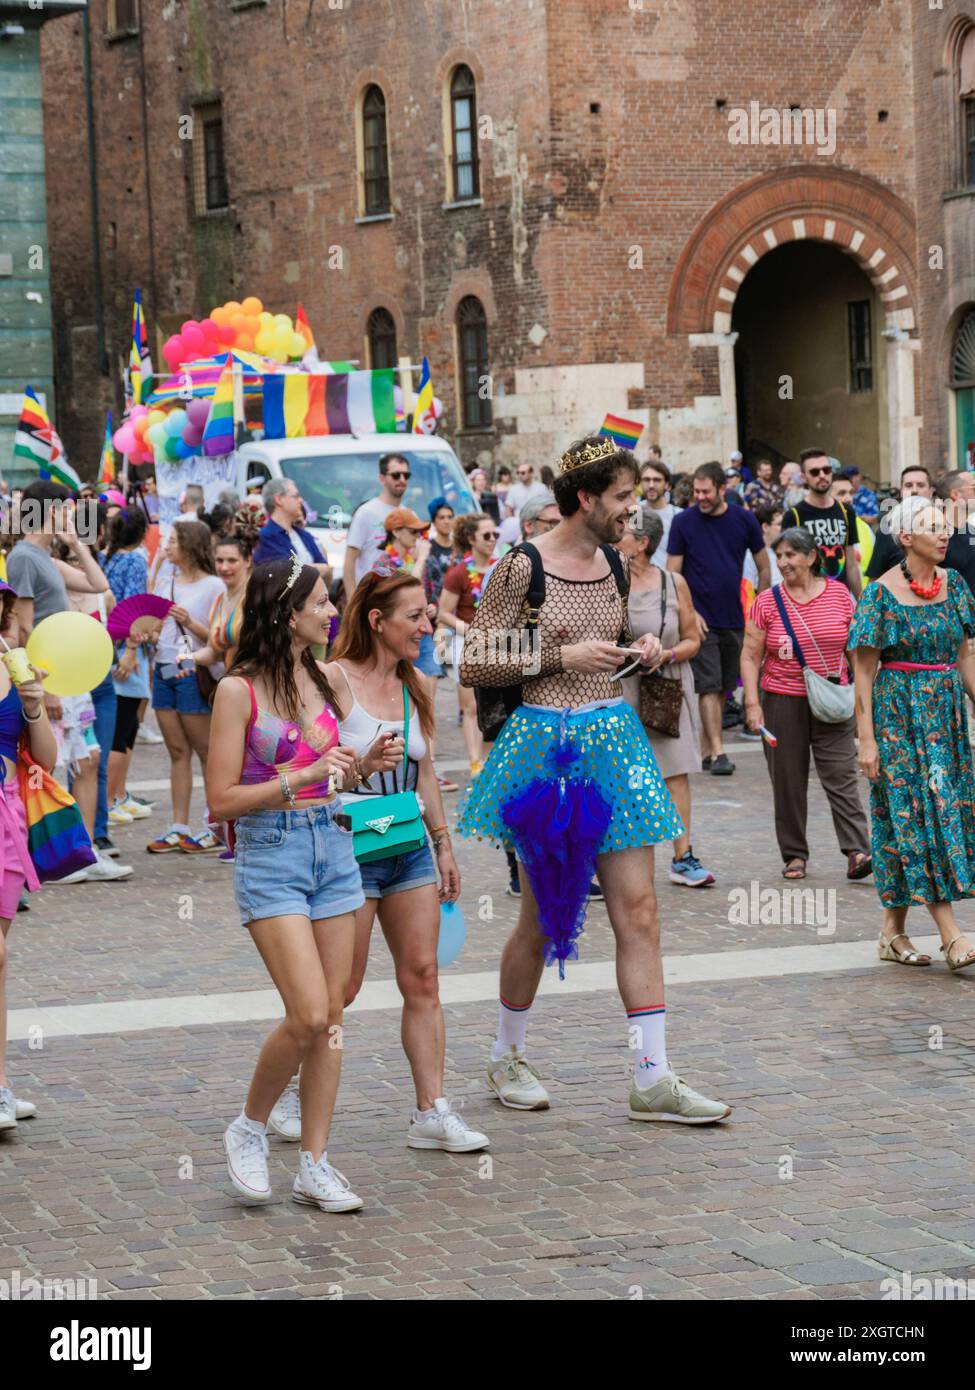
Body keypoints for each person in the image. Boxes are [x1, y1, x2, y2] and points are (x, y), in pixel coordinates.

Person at [459, 435, 731, 1125]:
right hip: (546, 748)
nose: (633, 511)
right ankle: (506, 1053)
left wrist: (640, 651)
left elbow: (605, 650)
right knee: (545, 919)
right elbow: (475, 660)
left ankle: (651, 1075)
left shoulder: (614, 560)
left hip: (613, 735)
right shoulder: (521, 566)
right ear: (583, 498)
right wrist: (558, 652)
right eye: (620, 498)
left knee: (637, 911)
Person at [206, 557, 367, 1209]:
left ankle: (314, 1163)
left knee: (331, 1017)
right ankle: (247, 1127)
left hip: (332, 844)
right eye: (323, 604)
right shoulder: (236, 691)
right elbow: (220, 801)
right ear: (286, 613)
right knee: (305, 1013)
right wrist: (300, 778)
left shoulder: (327, 679)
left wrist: (358, 770)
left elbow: (334, 778)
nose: (333, 613)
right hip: (270, 853)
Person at [318, 571, 489, 1153]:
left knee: (423, 977)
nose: (426, 625)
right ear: (376, 620)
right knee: (342, 986)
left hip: (407, 840)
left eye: (428, 616)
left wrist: (444, 844)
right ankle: (297, 1088)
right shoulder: (333, 680)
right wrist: (357, 766)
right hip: (348, 842)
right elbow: (316, 770)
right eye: (414, 616)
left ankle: (431, 1110)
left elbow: (423, 771)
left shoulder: (418, 682)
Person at [850, 497, 975, 972]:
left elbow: (965, 654)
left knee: (918, 818)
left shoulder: (956, 586)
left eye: (946, 526)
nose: (944, 534)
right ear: (905, 538)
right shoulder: (879, 595)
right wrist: (867, 739)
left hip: (945, 719)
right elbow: (862, 672)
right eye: (932, 527)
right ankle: (951, 934)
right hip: (898, 718)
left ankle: (891, 933)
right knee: (918, 817)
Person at [741, 528, 872, 882]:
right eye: (779, 556)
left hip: (832, 699)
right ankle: (794, 854)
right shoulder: (766, 601)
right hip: (782, 699)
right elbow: (750, 656)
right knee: (788, 780)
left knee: (841, 775)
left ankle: (857, 850)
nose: (782, 563)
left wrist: (864, 704)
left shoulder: (841, 595)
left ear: (812, 557)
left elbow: (856, 653)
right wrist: (752, 704)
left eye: (790, 555)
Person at [618, 506, 714, 887]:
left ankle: (683, 857)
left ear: (642, 543)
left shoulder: (674, 583)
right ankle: (621, 861)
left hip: (668, 687)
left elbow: (692, 639)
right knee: (623, 776)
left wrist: (667, 654)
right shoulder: (608, 581)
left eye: (624, 531)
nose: (616, 535)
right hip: (622, 686)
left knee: (674, 774)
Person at [666, 461, 770, 775]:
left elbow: (764, 565)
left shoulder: (744, 519)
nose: (700, 497)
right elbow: (673, 573)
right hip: (700, 618)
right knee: (708, 685)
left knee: (724, 686)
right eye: (696, 491)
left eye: (706, 491)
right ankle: (720, 752)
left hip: (736, 616)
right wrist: (689, 612)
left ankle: (709, 750)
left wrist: (760, 608)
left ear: (722, 489)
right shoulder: (684, 522)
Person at [0, 581, 57, 1133]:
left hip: (5, 817)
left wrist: (35, 705)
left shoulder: (12, 672)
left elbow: (46, 759)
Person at [148, 519, 224, 854]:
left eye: (174, 541)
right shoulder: (166, 580)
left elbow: (219, 638)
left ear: (190, 546)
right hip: (163, 667)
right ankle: (178, 825)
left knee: (206, 752)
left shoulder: (213, 586)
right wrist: (148, 633)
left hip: (192, 669)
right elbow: (154, 623)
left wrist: (188, 621)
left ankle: (216, 824)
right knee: (177, 752)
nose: (167, 547)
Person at [102, 507, 156, 842]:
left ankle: (117, 795)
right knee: (124, 728)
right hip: (127, 650)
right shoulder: (135, 560)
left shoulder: (104, 558)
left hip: (112, 645)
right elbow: (135, 607)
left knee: (124, 726)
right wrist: (134, 650)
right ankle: (111, 799)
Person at [438, 513, 498, 777]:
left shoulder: (503, 567)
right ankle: (475, 763)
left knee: (497, 703)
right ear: (472, 539)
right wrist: (468, 629)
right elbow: (444, 612)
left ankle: (491, 759)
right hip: (468, 641)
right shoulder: (459, 573)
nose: (492, 540)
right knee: (471, 706)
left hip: (499, 641)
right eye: (486, 535)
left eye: (495, 534)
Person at [785, 448, 861, 596]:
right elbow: (788, 567)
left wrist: (862, 607)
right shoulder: (794, 516)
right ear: (803, 477)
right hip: (807, 602)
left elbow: (851, 565)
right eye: (814, 472)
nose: (822, 475)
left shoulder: (846, 512)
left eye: (826, 470)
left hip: (840, 601)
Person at [342, 453, 410, 595]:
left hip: (399, 597)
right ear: (382, 478)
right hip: (370, 596)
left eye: (406, 475)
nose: (402, 479)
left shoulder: (409, 515)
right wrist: (352, 601)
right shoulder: (366, 512)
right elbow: (350, 560)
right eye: (396, 475)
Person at [190, 531, 255, 673]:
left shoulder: (256, 596)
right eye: (219, 561)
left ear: (248, 560)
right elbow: (213, 653)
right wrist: (189, 658)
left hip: (256, 682)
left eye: (232, 561)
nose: (224, 568)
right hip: (231, 682)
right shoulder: (220, 599)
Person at [865, 465, 940, 582]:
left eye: (920, 485)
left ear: (931, 491)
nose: (914, 490)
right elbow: (875, 578)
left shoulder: (945, 526)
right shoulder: (888, 530)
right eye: (908, 485)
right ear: (901, 491)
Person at [253, 479, 330, 583]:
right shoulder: (266, 537)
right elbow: (287, 574)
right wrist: (316, 569)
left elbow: (325, 567)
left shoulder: (304, 535)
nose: (301, 500)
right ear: (279, 499)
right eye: (296, 496)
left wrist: (302, 568)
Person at [832, 473, 875, 575]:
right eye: (841, 493)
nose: (849, 499)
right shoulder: (818, 528)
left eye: (851, 493)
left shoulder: (865, 528)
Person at [639, 459, 676, 565]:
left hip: (667, 578)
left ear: (667, 485)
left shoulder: (678, 515)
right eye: (646, 480)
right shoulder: (634, 512)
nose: (651, 485)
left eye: (657, 480)